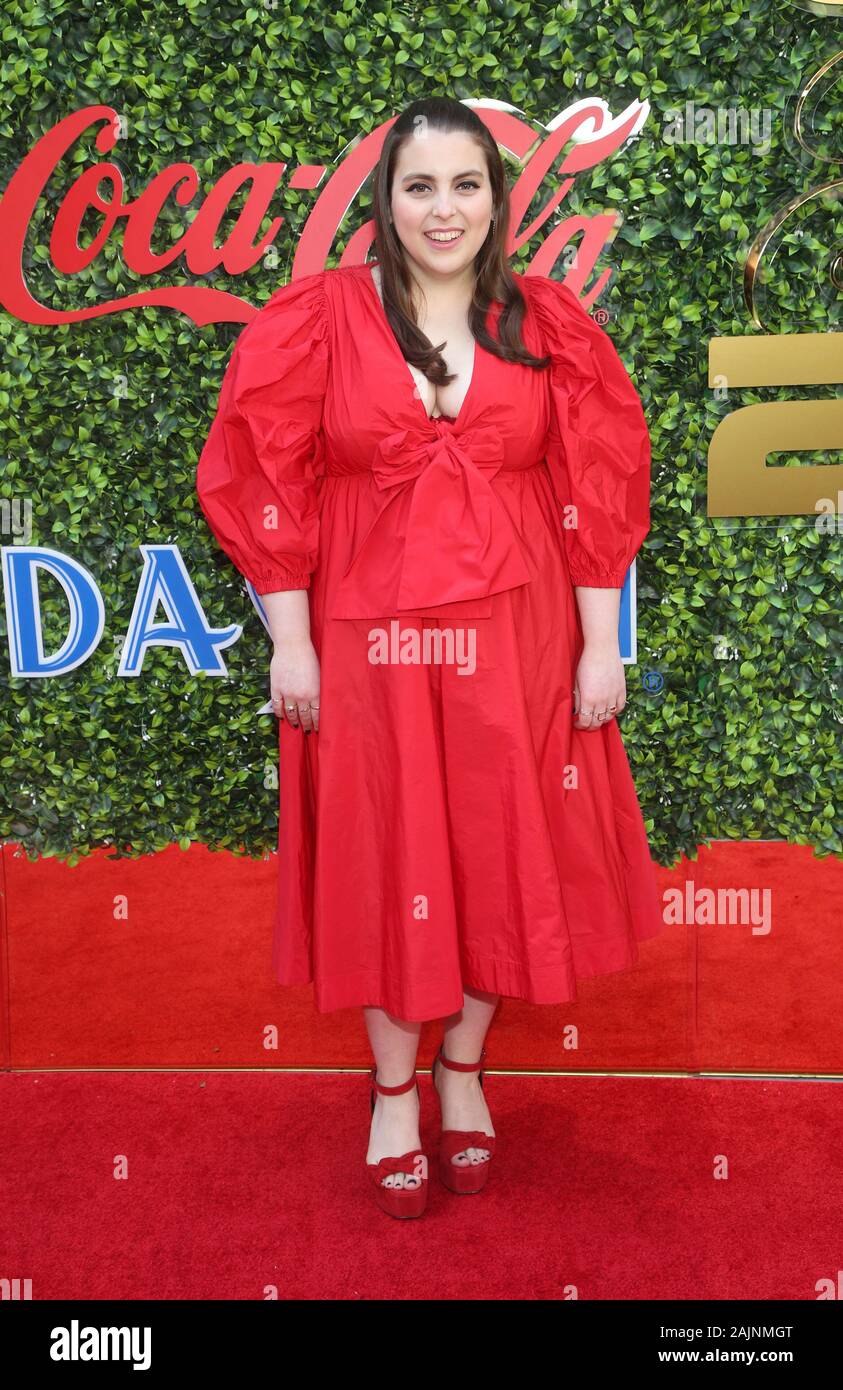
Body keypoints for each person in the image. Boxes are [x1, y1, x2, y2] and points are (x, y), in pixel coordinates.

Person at [196, 96, 663, 1219]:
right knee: (387, 852)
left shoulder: (545, 322)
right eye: (420, 186)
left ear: (498, 199)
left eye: (466, 184)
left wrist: (601, 649)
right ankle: (395, 1095)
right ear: (385, 200)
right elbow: (262, 477)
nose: (443, 208)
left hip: (518, 633)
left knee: (499, 851)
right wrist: (292, 642)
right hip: (367, 642)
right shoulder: (319, 321)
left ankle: (464, 1076)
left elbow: (600, 485)